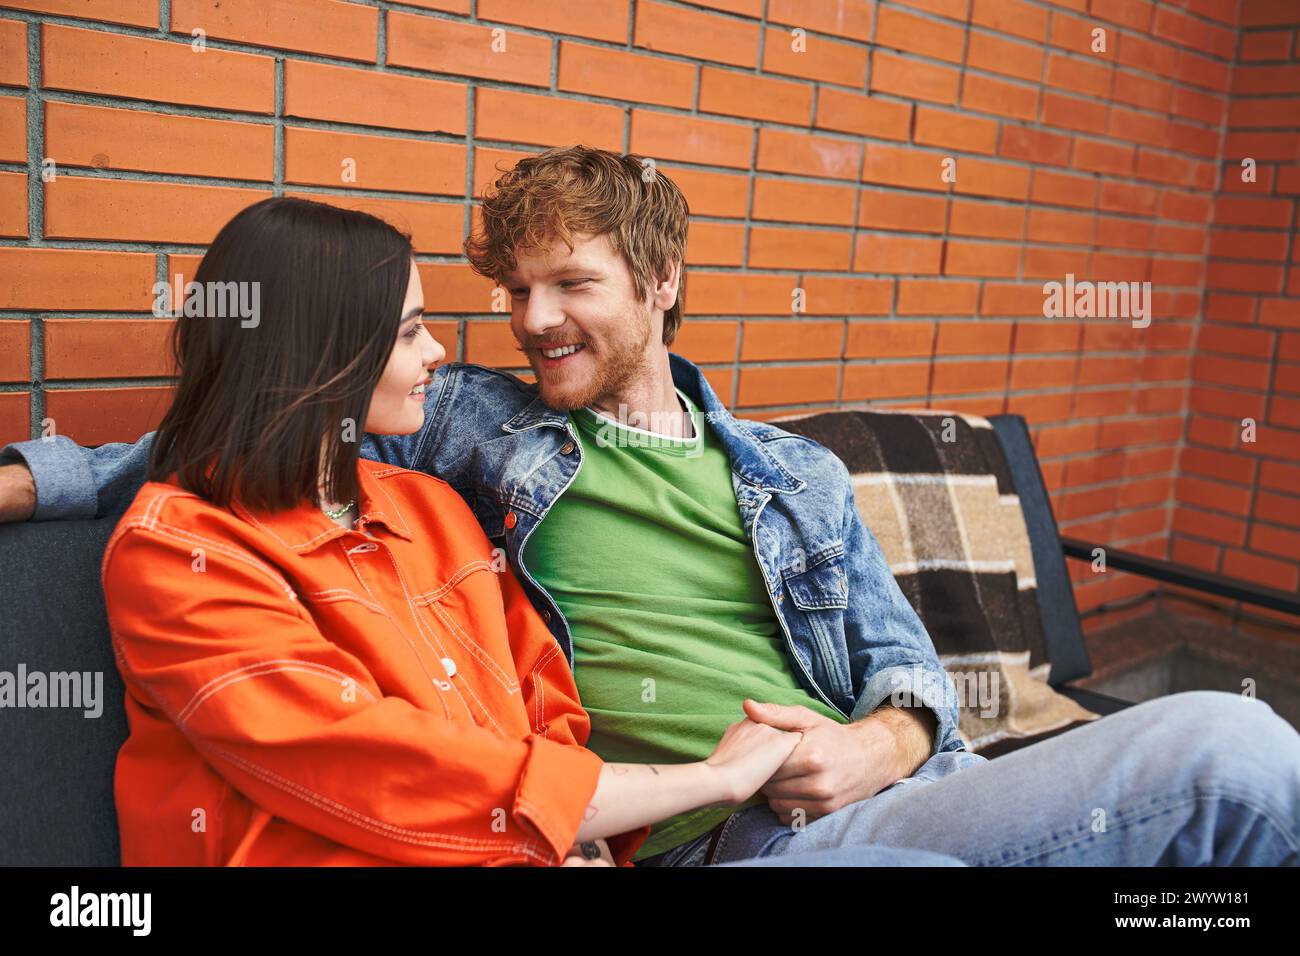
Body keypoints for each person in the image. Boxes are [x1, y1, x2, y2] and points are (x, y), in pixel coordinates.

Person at [3, 148, 1298, 867]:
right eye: (512, 289)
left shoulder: (799, 477)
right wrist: (31, 475)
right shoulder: (476, 433)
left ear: (662, 283)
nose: (525, 322)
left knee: (1239, 754)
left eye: (567, 282)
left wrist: (878, 746)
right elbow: (230, 435)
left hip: (860, 792)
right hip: (706, 834)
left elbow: (909, 672)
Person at [65, 195, 824, 867]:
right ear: (321, 358)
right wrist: (713, 779)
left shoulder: (431, 510)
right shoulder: (177, 554)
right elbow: (370, 767)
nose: (438, 353)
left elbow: (546, 707)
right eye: (409, 333)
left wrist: (581, 841)